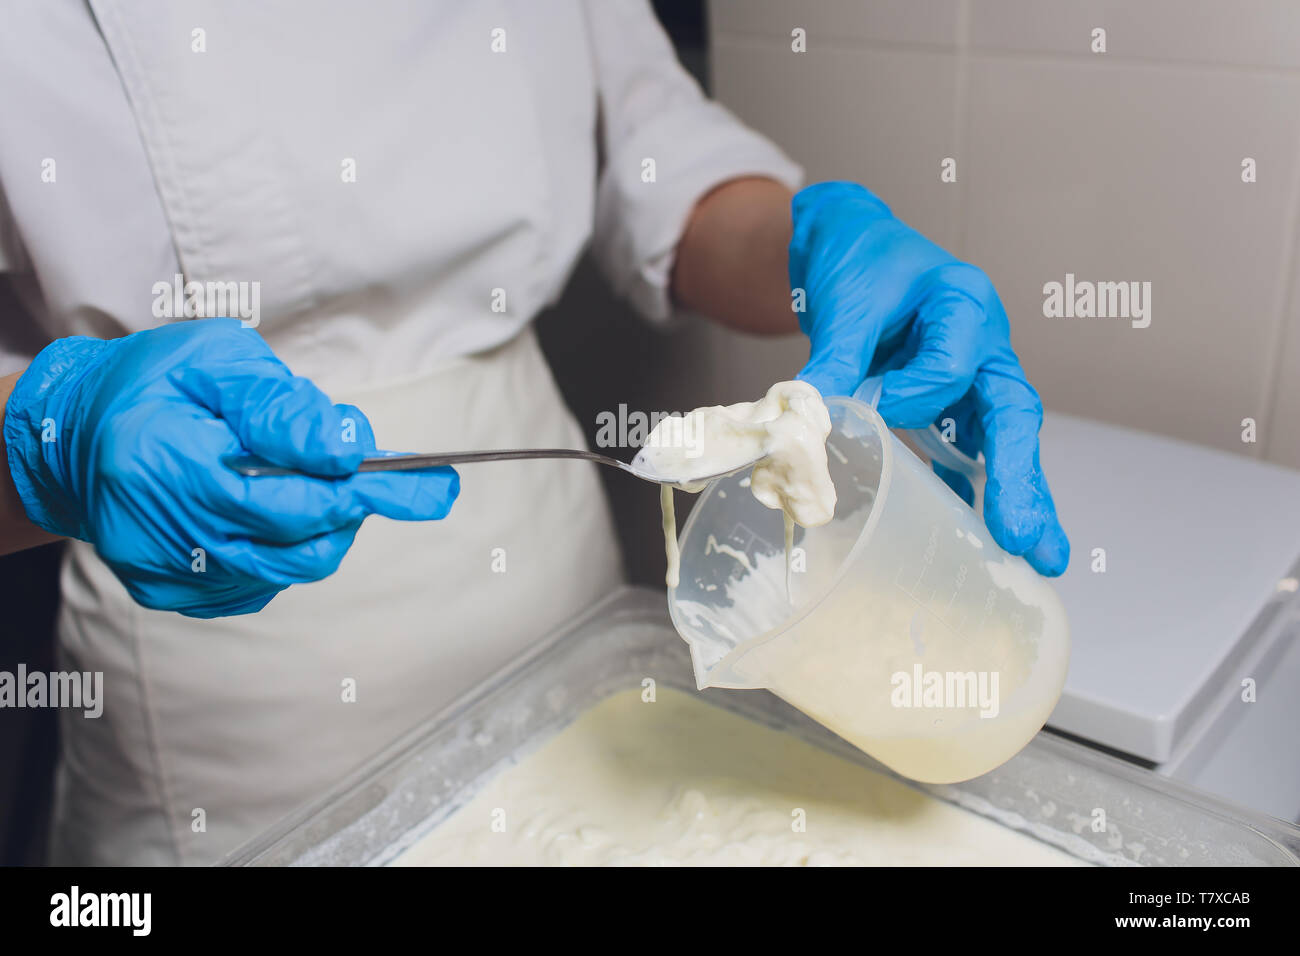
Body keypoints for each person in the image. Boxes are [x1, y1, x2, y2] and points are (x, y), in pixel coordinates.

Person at [0, 1, 1067, 864]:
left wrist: (815, 245)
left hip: (559, 607)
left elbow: (658, 164)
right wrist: (51, 438)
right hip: (222, 656)